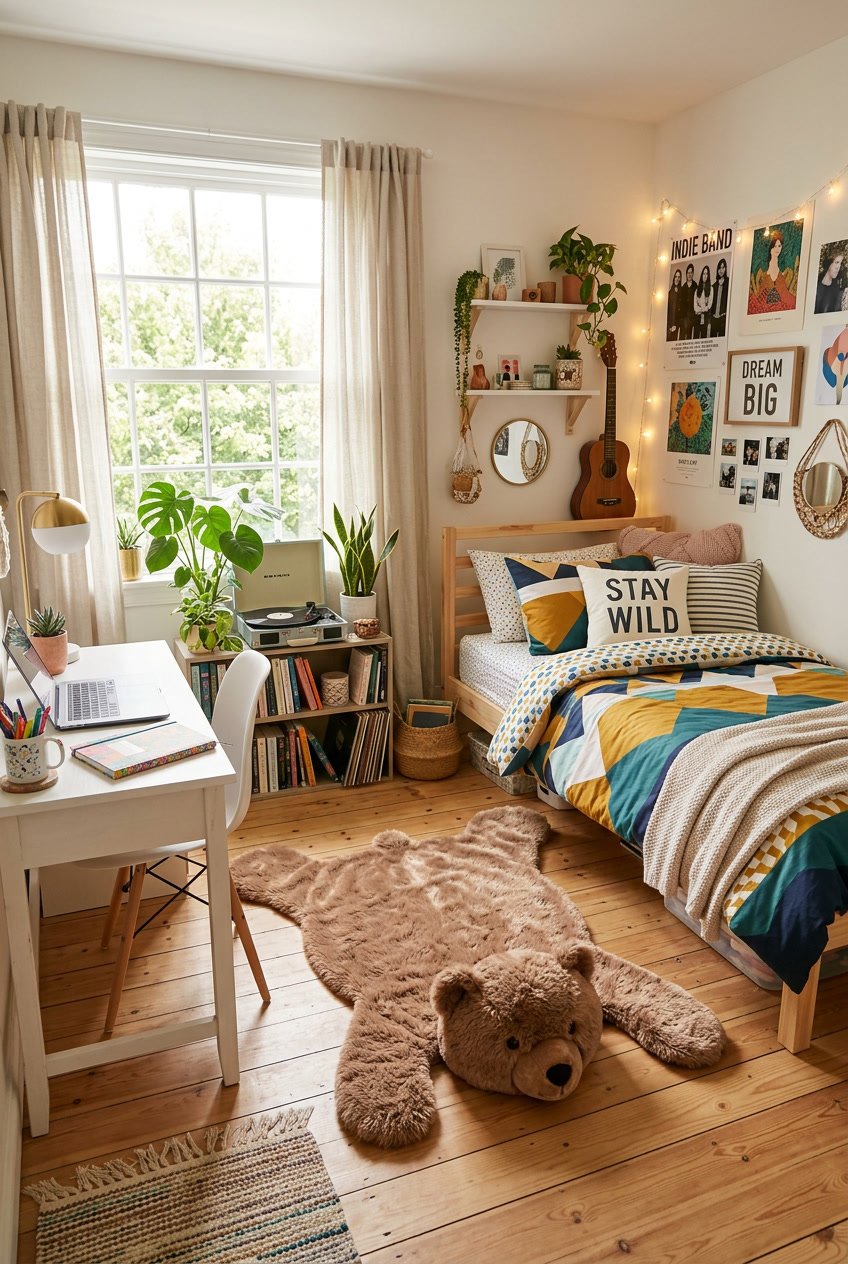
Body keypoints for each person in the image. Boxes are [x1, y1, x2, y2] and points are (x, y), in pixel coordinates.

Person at [748, 228, 796, 314]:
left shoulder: (784, 269)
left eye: (779, 246)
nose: (777, 249)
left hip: (782, 307)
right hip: (762, 307)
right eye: (774, 246)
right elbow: (759, 293)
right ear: (770, 247)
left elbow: (785, 294)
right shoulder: (763, 270)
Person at [815, 247, 846, 314]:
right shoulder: (816, 283)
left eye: (840, 263)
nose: (838, 267)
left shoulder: (836, 289)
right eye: (836, 262)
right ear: (829, 263)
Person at [710, 257, 729, 337]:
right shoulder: (714, 286)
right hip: (714, 319)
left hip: (723, 318)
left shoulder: (729, 282)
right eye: (719, 268)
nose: (721, 270)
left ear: (725, 269)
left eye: (723, 267)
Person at [693, 265, 712, 338]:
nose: (705, 275)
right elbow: (695, 305)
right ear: (701, 275)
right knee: (695, 338)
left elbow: (709, 305)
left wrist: (701, 310)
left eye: (707, 274)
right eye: (704, 273)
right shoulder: (697, 289)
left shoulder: (711, 289)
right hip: (697, 318)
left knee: (704, 338)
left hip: (705, 318)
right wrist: (700, 310)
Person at [680, 263, 697, 339]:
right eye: (688, 273)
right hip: (684, 317)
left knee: (689, 337)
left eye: (691, 273)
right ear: (686, 274)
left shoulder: (695, 286)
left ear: (693, 274)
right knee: (683, 336)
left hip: (692, 316)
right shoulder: (683, 287)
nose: (689, 275)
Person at [666, 269, 683, 340]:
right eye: (676, 277)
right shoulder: (670, 292)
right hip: (670, 324)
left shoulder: (681, 291)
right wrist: (671, 326)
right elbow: (670, 310)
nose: (677, 279)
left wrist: (676, 324)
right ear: (674, 278)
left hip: (677, 323)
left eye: (679, 277)